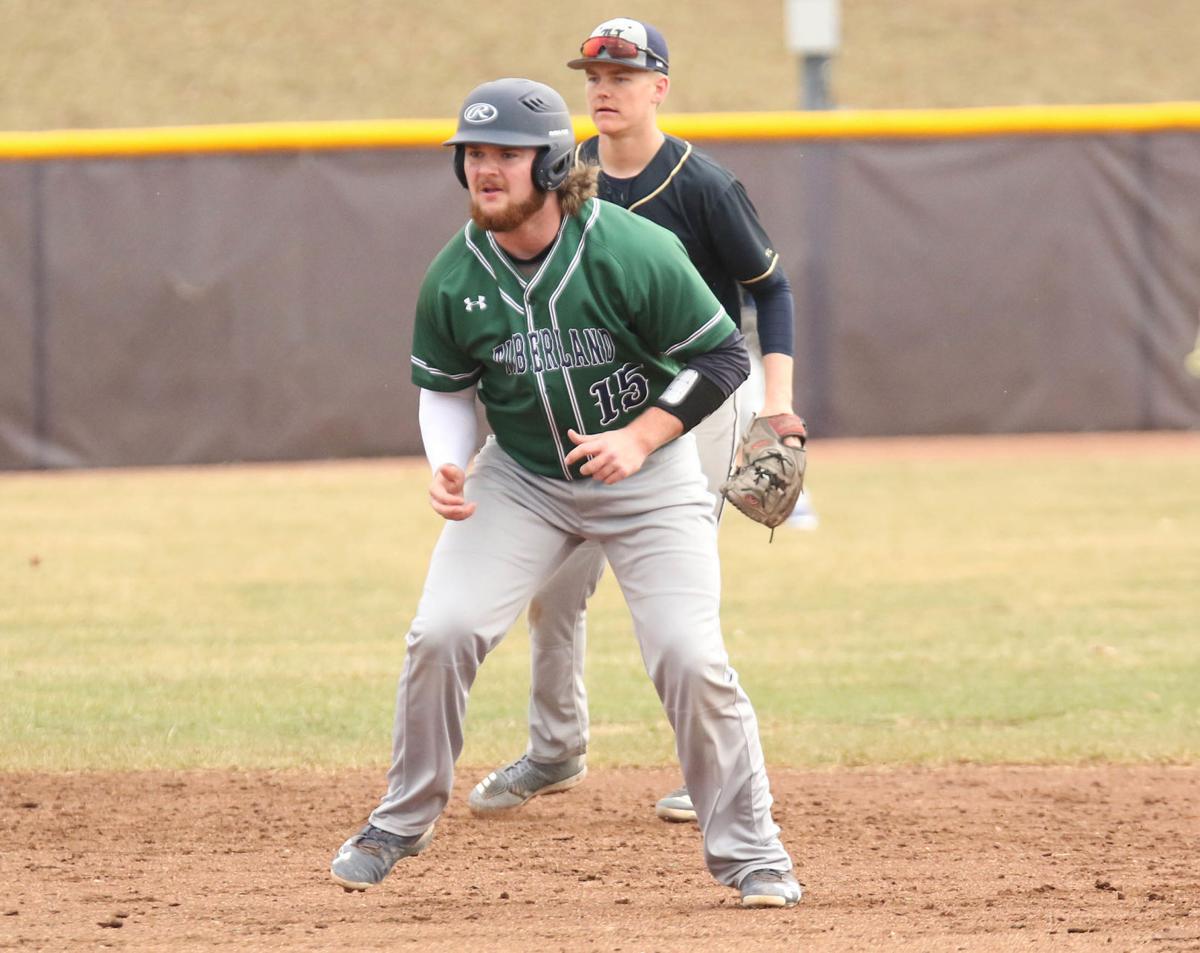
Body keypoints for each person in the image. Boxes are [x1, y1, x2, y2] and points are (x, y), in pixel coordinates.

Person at [329, 77, 801, 908]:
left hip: (650, 478)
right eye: (473, 154)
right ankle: (401, 819)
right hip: (523, 479)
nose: (484, 169)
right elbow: (446, 385)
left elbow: (723, 358)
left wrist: (642, 434)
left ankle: (751, 850)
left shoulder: (630, 250)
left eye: (505, 153)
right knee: (441, 630)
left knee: (689, 655)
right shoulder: (455, 274)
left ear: (550, 162)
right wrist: (446, 458)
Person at [468, 17, 811, 828]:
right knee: (552, 585)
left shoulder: (703, 185)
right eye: (593, 75)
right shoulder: (563, 177)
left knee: (677, 594)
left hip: (699, 396)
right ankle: (555, 749)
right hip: (590, 399)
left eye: (623, 74)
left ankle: (710, 766)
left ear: (659, 87)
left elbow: (774, 290)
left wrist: (780, 403)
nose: (603, 89)